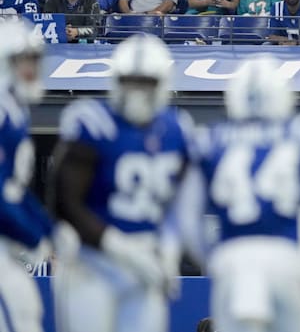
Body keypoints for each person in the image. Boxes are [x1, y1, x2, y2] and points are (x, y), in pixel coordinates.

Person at [177, 56, 300, 332]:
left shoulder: (209, 138)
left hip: (233, 256)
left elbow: (186, 220)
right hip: (287, 257)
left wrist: (214, 262)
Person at [51, 35, 193, 332]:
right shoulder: (92, 122)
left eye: (146, 83)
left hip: (146, 258)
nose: (137, 92)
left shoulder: (176, 129)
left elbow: (179, 202)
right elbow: (63, 202)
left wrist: (168, 249)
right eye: (130, 82)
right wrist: (118, 246)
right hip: (92, 261)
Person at [0, 20, 52, 332]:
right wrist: (33, 236)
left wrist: (49, 231)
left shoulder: (14, 108)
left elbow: (14, 189)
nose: (32, 69)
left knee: (25, 311)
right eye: (23, 61)